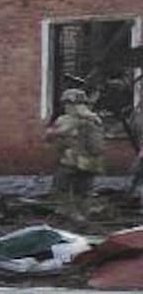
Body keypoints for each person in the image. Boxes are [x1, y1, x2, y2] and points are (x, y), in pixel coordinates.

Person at [46, 87, 107, 221]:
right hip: (91, 162)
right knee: (84, 191)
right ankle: (82, 215)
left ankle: (73, 215)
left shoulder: (66, 120)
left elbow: (52, 136)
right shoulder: (95, 119)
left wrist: (53, 133)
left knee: (62, 188)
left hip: (71, 161)